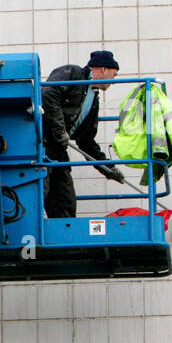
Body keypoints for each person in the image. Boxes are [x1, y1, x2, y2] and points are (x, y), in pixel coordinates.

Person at [40, 50, 125, 218]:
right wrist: (60, 131)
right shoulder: (73, 74)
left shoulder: (93, 100)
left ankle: (64, 236)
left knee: (64, 198)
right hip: (38, 143)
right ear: (103, 69)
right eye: (113, 75)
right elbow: (48, 94)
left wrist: (107, 168)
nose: (113, 81)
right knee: (39, 188)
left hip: (57, 149)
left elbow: (86, 140)